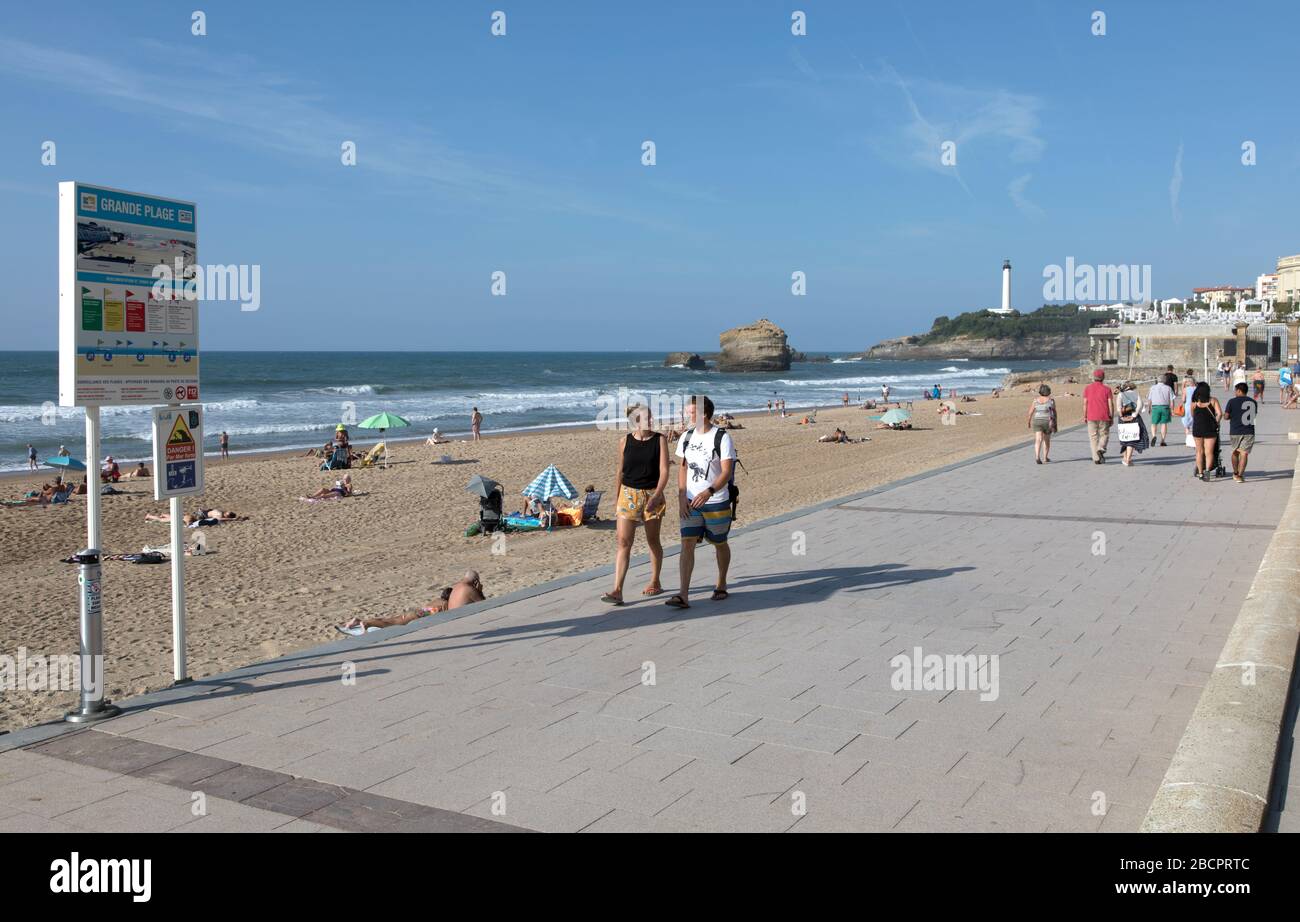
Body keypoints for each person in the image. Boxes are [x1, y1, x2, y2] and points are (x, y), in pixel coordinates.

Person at [665, 395, 736, 610]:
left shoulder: (722, 437)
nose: (688, 415)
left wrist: (709, 491)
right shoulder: (686, 436)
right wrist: (681, 497)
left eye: (692, 412)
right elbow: (683, 468)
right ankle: (683, 594)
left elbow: (726, 471)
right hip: (690, 501)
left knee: (719, 543)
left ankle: (721, 581)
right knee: (687, 543)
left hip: (716, 501)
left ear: (704, 414)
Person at [600, 404, 669, 605]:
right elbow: (620, 471)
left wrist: (657, 495)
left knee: (653, 541)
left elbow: (664, 471)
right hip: (627, 495)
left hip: (651, 495)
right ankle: (617, 590)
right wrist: (617, 498)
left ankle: (655, 581)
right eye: (647, 418)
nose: (651, 420)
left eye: (651, 417)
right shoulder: (625, 441)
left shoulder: (660, 440)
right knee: (623, 542)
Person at [338, 573, 484, 633]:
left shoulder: (439, 600)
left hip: (418, 612)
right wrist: (480, 591)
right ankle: (367, 623)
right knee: (393, 622)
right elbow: (485, 605)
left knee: (392, 619)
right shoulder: (445, 604)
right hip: (421, 615)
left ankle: (360, 621)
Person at [1224, 382, 1258, 483]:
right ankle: (1240, 475)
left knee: (1235, 452)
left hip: (1235, 430)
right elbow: (1253, 417)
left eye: (1235, 390)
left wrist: (1231, 416)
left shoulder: (1231, 401)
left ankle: (1235, 472)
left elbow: (1226, 416)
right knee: (1244, 454)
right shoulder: (1253, 402)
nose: (1235, 392)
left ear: (1239, 390)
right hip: (1249, 431)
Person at [1189, 382, 1222, 481]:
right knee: (1209, 452)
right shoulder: (1213, 401)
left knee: (1199, 451)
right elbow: (1220, 414)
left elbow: (1192, 415)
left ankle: (1200, 473)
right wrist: (1215, 422)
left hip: (1198, 429)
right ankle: (1207, 470)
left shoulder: (1194, 403)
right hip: (1210, 429)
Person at [1083, 369, 1114, 464]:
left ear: (1094, 377)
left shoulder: (1087, 388)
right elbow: (1110, 404)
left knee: (1093, 437)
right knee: (1104, 434)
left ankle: (1096, 458)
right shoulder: (1107, 389)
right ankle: (1101, 448)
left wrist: (1084, 416)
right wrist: (1111, 416)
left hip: (1091, 415)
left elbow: (1085, 403)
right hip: (1104, 415)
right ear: (1103, 378)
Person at [1116, 381, 1149, 466]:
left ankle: (1125, 458)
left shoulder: (1120, 394)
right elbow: (1140, 405)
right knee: (1132, 439)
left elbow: (1119, 407)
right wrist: (1134, 414)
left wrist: (1122, 416)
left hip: (1123, 418)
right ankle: (1127, 459)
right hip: (1134, 418)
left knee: (1124, 438)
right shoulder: (1136, 394)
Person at [1026, 384, 1057, 464]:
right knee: (1046, 441)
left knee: (1038, 439)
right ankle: (1045, 458)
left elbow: (1030, 412)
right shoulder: (1051, 400)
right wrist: (1055, 423)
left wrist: (1029, 421)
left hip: (1037, 421)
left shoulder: (1035, 400)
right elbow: (1054, 412)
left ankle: (1037, 456)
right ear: (1048, 392)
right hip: (1047, 421)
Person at [1147, 372, 1175, 447]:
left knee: (1154, 423)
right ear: (1165, 380)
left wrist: (1149, 408)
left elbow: (1149, 399)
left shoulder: (1152, 388)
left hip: (1155, 407)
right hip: (1165, 407)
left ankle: (1153, 436)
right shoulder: (1168, 388)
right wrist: (1172, 410)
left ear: (1157, 380)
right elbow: (1172, 400)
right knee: (1163, 424)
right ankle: (1163, 440)